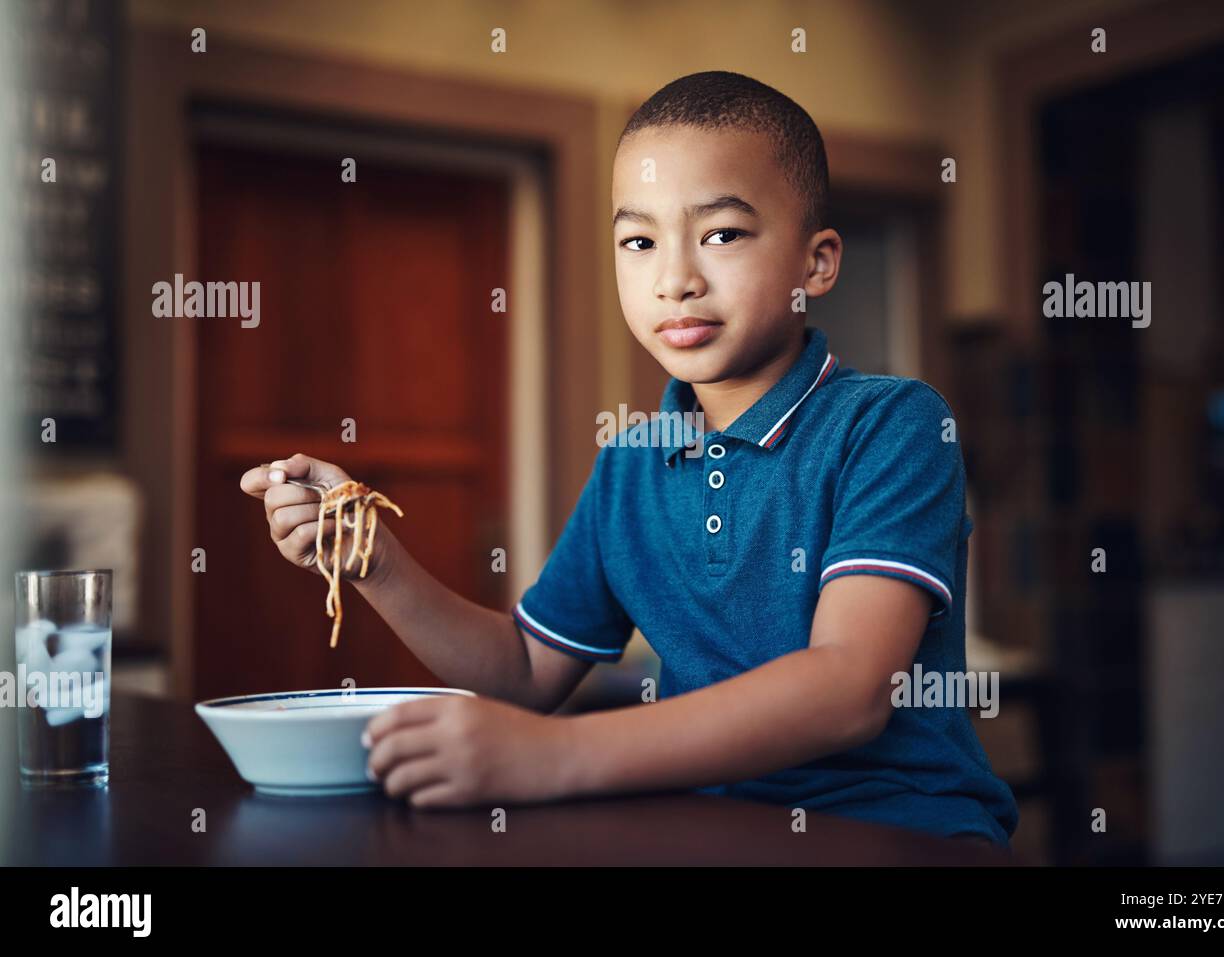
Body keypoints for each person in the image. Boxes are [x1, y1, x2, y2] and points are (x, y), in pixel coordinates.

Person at [240, 70, 1018, 847]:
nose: (675, 279)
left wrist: (555, 755)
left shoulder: (893, 424)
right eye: (639, 242)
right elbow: (522, 670)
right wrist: (373, 557)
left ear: (815, 263)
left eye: (721, 234)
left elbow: (848, 688)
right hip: (711, 833)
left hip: (899, 835)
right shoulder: (630, 464)